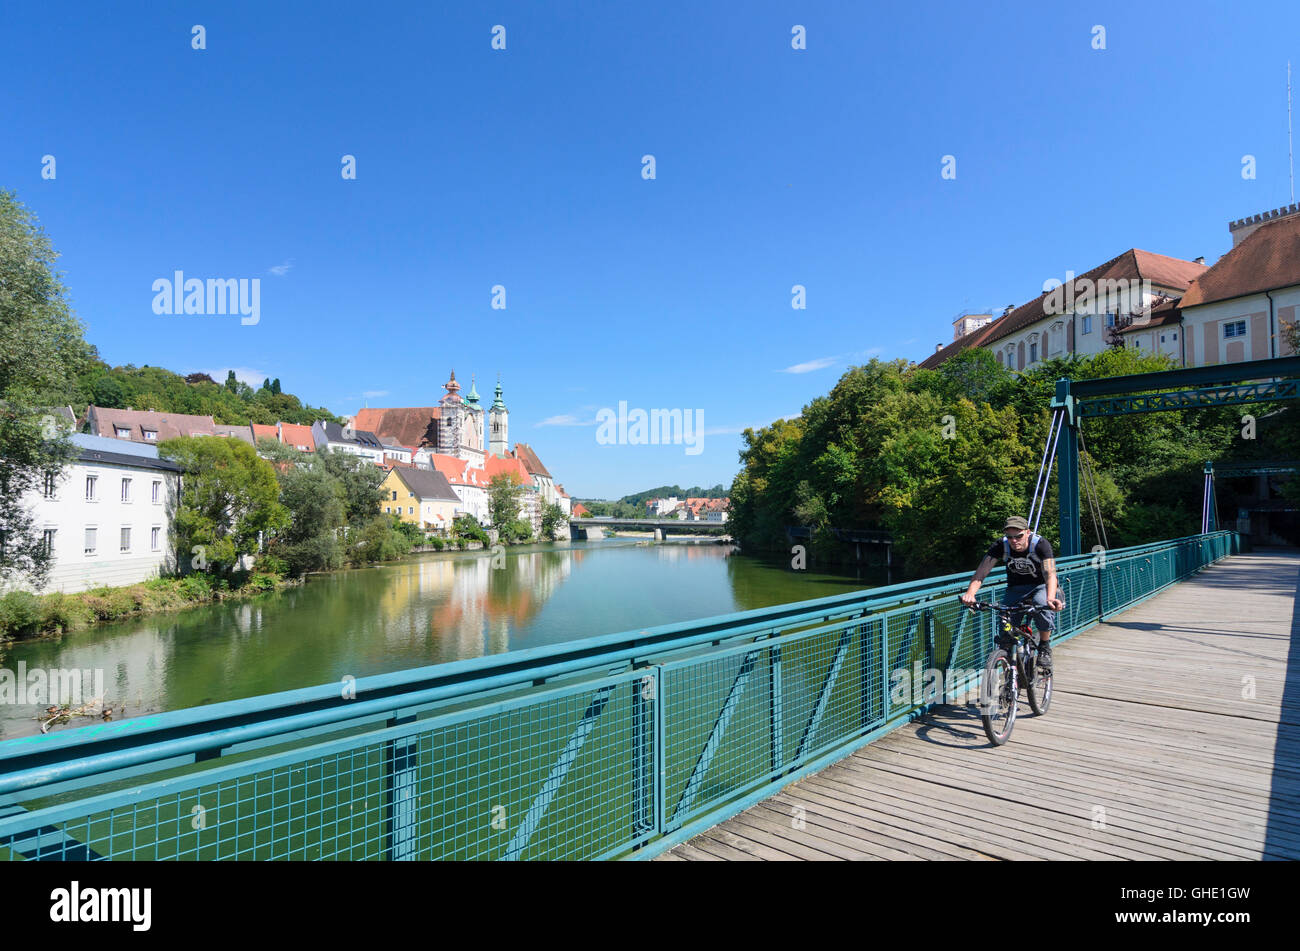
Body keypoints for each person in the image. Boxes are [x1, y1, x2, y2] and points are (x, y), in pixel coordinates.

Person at [959, 516, 1064, 672]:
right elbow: (981, 573)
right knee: (1005, 628)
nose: (1014, 541)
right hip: (1015, 588)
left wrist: (1050, 598)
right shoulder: (1001, 546)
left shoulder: (1041, 545)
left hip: (1040, 586)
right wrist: (970, 594)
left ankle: (1044, 646)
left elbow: (1050, 574)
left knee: (1042, 606)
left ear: (1027, 532)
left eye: (1019, 536)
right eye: (1010, 537)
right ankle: (1010, 675)